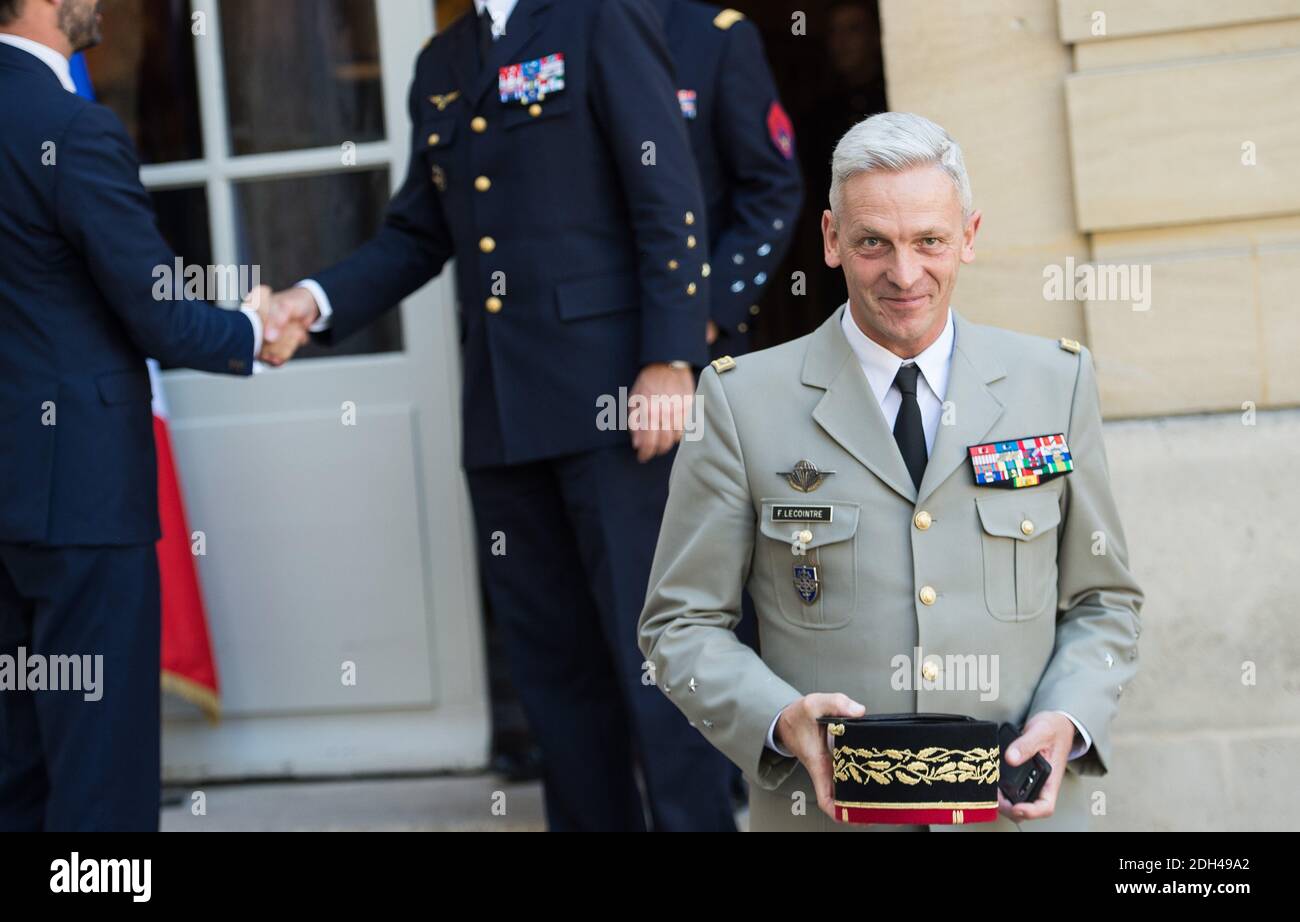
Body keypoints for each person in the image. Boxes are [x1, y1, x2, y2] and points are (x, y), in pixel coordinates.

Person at [260, 0, 735, 831]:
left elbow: (668, 194)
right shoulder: (443, 62)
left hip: (620, 406)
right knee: (556, 678)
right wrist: (315, 299)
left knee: (657, 665)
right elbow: (417, 233)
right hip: (505, 417)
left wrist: (669, 359)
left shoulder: (599, 18)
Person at [639, 112, 1144, 832]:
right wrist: (778, 719)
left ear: (968, 237)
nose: (904, 275)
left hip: (1013, 817)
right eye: (874, 241)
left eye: (929, 241)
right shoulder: (740, 400)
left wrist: (1069, 715)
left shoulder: (1053, 383)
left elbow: (1104, 602)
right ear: (831, 240)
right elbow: (680, 623)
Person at [0, 0, 298, 831]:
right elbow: (156, 307)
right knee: (102, 772)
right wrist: (249, 327)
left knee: (15, 769)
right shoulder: (73, 127)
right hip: (80, 504)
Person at [650, 2, 803, 359]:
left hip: (696, 328)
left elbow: (773, 190)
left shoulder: (716, 37)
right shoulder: (565, 32)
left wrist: (713, 311)